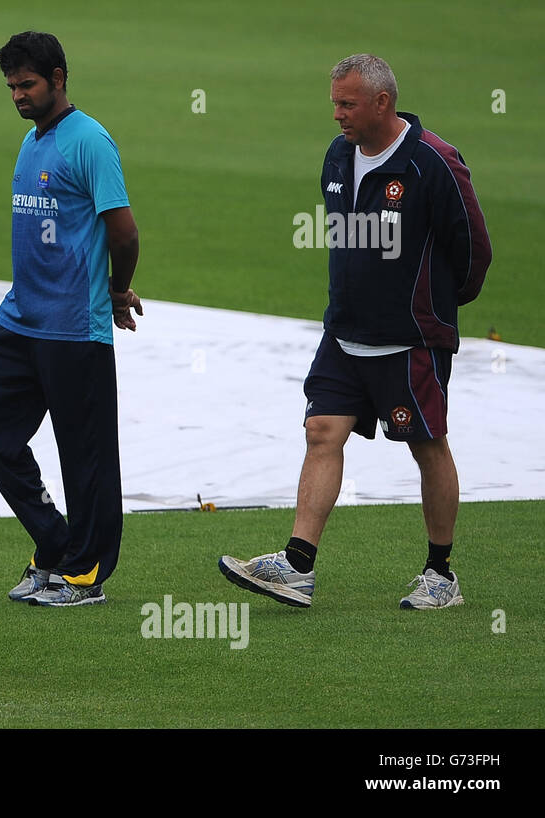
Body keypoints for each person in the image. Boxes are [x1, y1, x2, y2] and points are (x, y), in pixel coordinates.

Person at [220, 54, 491, 610]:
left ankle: (441, 575)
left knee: (426, 446)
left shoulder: (434, 163)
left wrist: (435, 309)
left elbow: (473, 252)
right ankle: (297, 565)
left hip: (410, 340)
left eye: (347, 104)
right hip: (343, 334)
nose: (337, 115)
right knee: (321, 429)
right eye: (334, 103)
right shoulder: (339, 156)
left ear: (382, 102)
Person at [0, 32, 141, 607]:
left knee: (84, 454)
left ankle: (85, 573)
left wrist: (116, 292)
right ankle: (54, 541)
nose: (18, 95)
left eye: (28, 84)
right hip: (20, 318)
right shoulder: (31, 141)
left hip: (74, 326)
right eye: (12, 86)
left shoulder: (89, 141)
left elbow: (124, 232)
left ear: (59, 77)